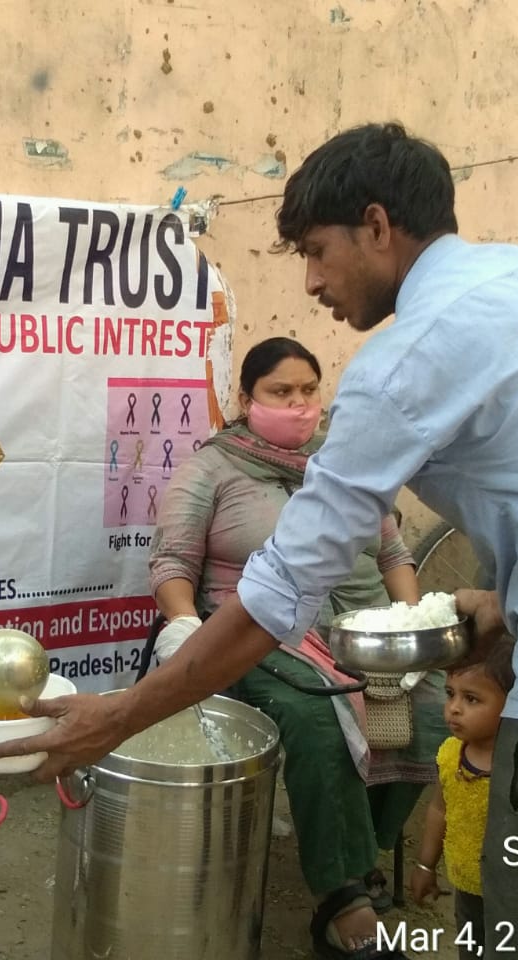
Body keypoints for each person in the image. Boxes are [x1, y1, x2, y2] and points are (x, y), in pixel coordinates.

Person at [0, 123, 518, 959]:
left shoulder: (404, 362)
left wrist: (117, 718)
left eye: (316, 251)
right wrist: (511, 602)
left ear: (376, 224)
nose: (312, 279)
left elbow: (276, 594)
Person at [149, 336, 446, 957]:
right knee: (319, 717)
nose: (299, 404)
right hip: (261, 628)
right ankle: (344, 898)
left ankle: (357, 845)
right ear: (245, 398)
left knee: (428, 702)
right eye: (280, 392)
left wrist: (410, 620)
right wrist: (185, 627)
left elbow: (393, 552)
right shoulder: (211, 468)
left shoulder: (343, 463)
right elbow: (174, 563)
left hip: (361, 627)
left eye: (309, 390)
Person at [409, 637, 515, 960]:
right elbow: (439, 810)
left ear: (513, 703)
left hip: (513, 893)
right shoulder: (450, 756)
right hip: (467, 886)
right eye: (450, 694)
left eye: (471, 699)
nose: (454, 708)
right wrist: (426, 865)